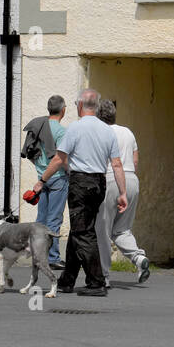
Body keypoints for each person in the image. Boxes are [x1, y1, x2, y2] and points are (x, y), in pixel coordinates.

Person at [33, 88, 126, 297]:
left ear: (81, 105)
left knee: (84, 232)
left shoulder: (75, 128)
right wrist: (122, 193)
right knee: (78, 229)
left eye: (76, 104)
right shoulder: (107, 131)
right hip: (99, 183)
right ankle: (67, 280)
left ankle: (96, 282)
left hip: (81, 183)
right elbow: (117, 164)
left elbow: (58, 158)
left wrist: (42, 181)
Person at [95, 98, 150, 286]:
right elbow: (135, 161)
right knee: (122, 228)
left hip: (110, 178)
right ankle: (138, 258)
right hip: (131, 179)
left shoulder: (101, 132)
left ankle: (103, 275)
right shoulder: (128, 132)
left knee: (103, 230)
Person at [22, 96, 68, 268]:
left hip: (41, 177)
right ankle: (53, 258)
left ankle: (37, 255)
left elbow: (30, 152)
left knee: (41, 219)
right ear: (63, 110)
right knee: (54, 219)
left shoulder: (38, 127)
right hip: (57, 178)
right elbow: (60, 159)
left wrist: (41, 172)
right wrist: (70, 170)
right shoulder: (61, 131)